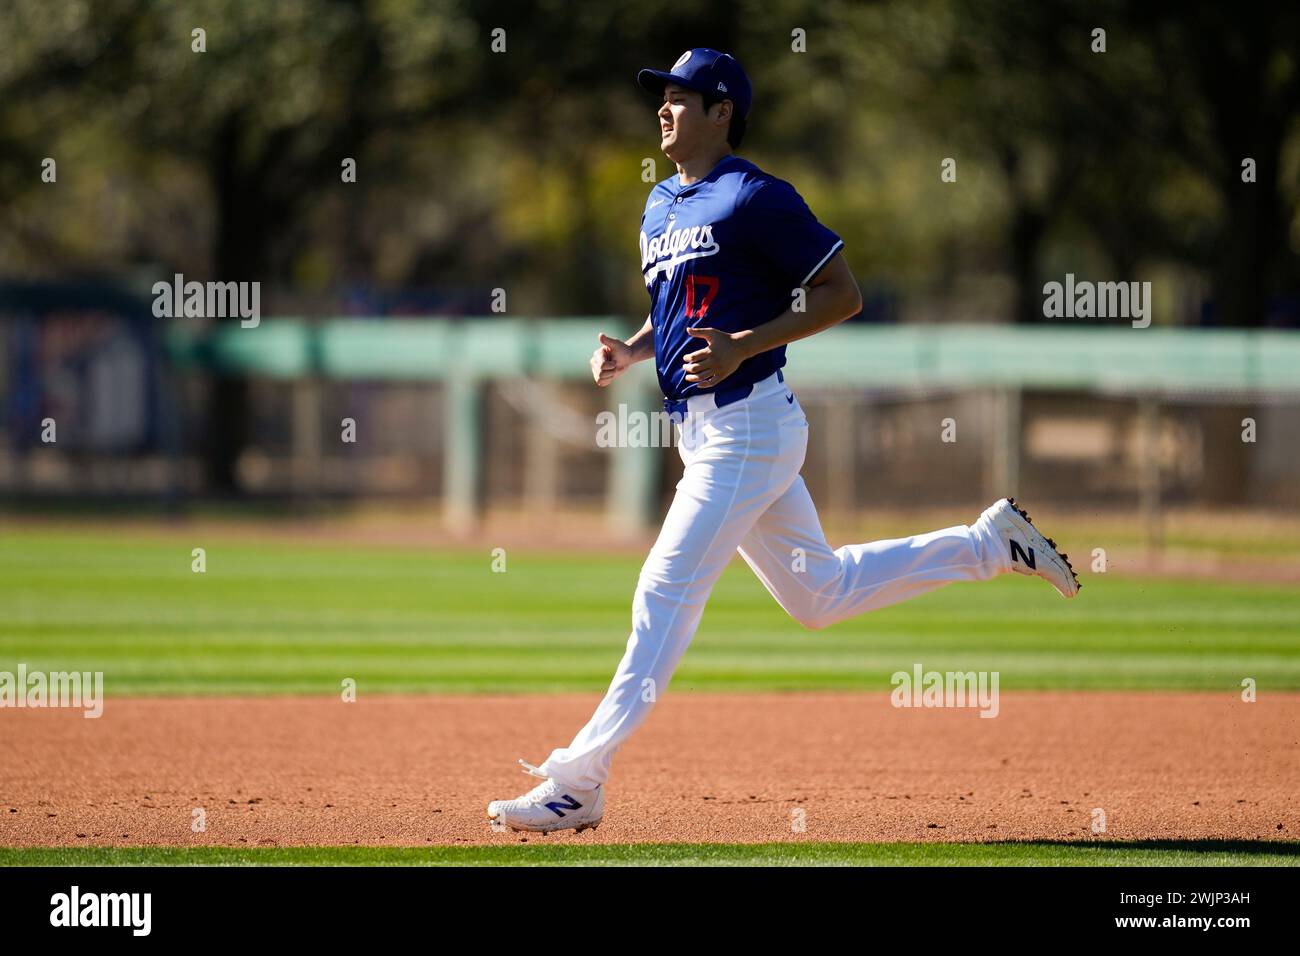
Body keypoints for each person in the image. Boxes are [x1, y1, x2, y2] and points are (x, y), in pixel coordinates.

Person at [487, 48, 1079, 834]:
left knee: (662, 592)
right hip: (710, 436)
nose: (663, 107)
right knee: (819, 594)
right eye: (660, 96)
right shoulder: (659, 204)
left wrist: (742, 342)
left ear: (722, 109)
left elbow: (844, 293)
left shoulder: (755, 197)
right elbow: (674, 304)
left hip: (749, 427)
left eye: (681, 97)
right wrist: (633, 350)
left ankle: (579, 780)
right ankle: (987, 545)